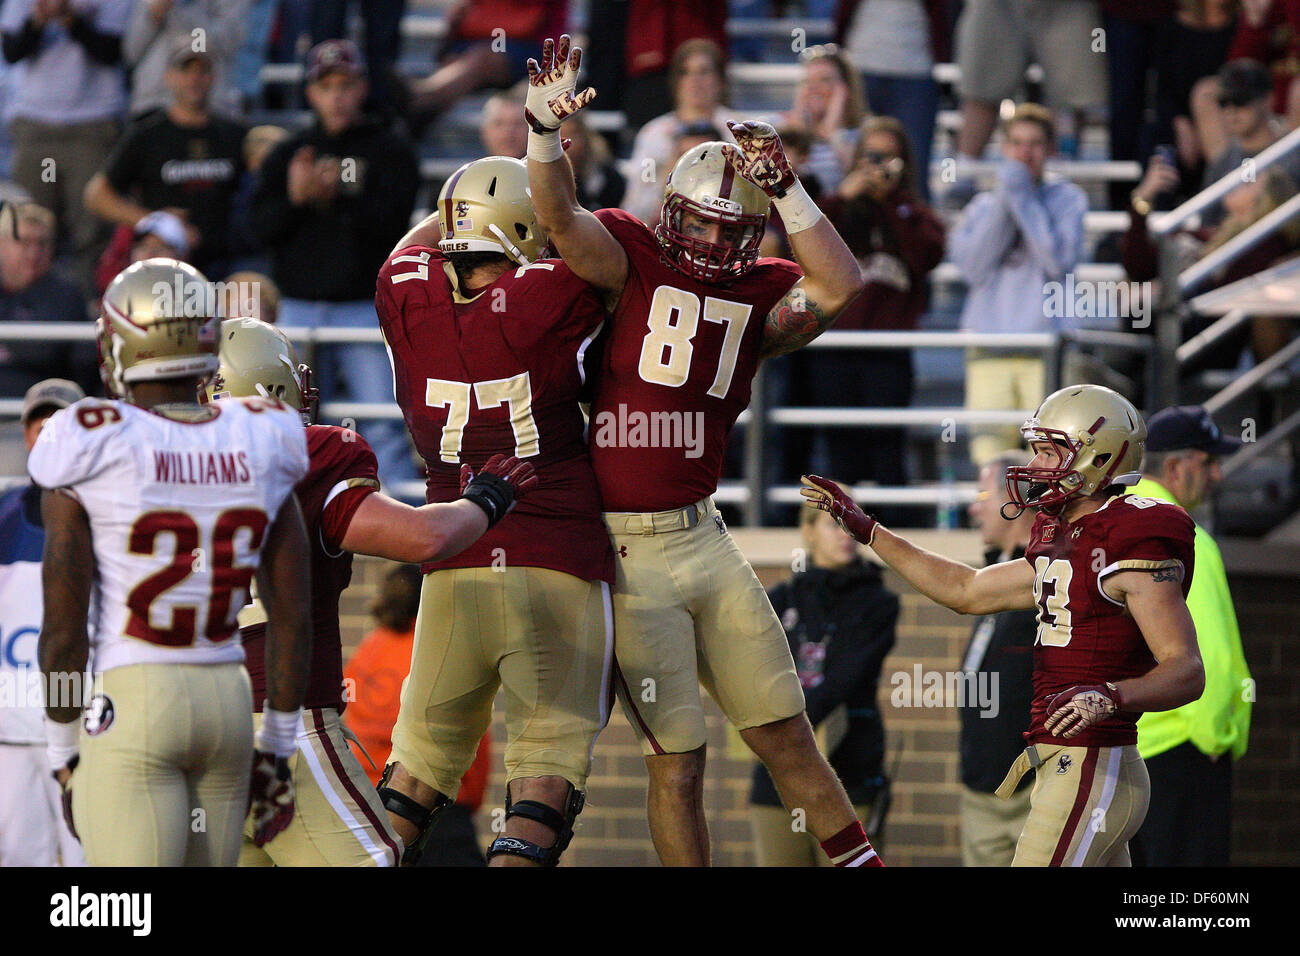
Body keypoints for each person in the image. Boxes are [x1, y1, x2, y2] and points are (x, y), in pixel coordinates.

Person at [526, 36, 880, 868]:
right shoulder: (632, 258)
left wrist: (786, 186)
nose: (714, 246)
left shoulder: (759, 294)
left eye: (732, 231)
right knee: (678, 762)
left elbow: (841, 284)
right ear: (667, 214)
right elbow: (560, 219)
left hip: (705, 535)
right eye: (699, 224)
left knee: (789, 736)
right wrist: (544, 136)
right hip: (626, 548)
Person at [802, 384, 1205, 867]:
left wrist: (1112, 696)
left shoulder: (1131, 536)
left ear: (1099, 459)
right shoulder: (1067, 538)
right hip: (1070, 768)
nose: (1034, 467)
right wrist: (869, 530)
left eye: (1049, 451)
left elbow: (1186, 669)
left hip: (1093, 766)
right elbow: (966, 590)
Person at [207, 318, 536, 867]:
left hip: (191, 726)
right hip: (282, 722)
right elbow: (424, 537)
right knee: (375, 859)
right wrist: (486, 499)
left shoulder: (163, 464)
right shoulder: (311, 454)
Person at [373, 156, 617, 867]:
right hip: (558, 555)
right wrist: (550, 197)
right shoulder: (556, 289)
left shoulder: (408, 292)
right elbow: (588, 249)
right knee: (545, 774)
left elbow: (406, 254)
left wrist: (460, 215)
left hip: (453, 564)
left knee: (412, 777)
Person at [31, 258, 315, 866]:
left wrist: (61, 753)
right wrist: (279, 744)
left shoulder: (89, 437)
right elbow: (294, 615)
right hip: (228, 702)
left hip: (134, 701)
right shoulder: (261, 431)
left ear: (122, 344)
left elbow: (61, 635)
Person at [249, 38, 420, 490]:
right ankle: (285, 507)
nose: (337, 95)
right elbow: (257, 228)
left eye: (346, 84)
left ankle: (399, 528)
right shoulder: (289, 152)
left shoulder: (389, 148)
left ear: (362, 87)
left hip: (362, 305)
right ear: (310, 92)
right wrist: (296, 200)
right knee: (283, 418)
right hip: (298, 305)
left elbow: (395, 227)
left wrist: (335, 199)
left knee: (381, 416)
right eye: (327, 85)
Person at [789, 115, 945, 516]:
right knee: (841, 450)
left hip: (889, 350)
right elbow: (804, 244)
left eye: (889, 158)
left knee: (887, 448)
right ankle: (840, 534)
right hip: (835, 345)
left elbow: (927, 256)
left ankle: (890, 538)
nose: (878, 166)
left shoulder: (914, 212)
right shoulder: (835, 206)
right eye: (871, 157)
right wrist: (844, 195)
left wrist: (892, 202)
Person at [1128, 405, 1251, 866]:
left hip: (1130, 748)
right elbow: (1210, 658)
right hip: (1183, 750)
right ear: (1178, 468)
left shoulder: (1118, 523)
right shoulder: (1185, 535)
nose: (1217, 474)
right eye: (1209, 461)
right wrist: (1215, 739)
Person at [749, 497, 898, 866]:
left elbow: (845, 677)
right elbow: (756, 670)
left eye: (852, 523)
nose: (845, 534)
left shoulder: (878, 601)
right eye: (833, 524)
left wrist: (782, 719)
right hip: (780, 774)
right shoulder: (782, 597)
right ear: (809, 532)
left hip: (850, 770)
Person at [948, 103, 1088, 467]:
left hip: (1045, 347)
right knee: (991, 461)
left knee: (1050, 462)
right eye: (1016, 143)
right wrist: (1007, 198)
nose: (1025, 153)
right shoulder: (981, 206)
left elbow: (1056, 261)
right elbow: (973, 269)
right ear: (1003, 148)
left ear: (1051, 149)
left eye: (1036, 143)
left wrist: (1021, 196)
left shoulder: (1069, 200)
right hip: (988, 346)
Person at [344, 563, 493, 867]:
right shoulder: (436, 652)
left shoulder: (366, 654)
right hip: (435, 805)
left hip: (370, 807)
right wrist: (467, 800)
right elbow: (470, 735)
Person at [0, 378, 87, 867]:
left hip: (83, 723)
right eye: (40, 421)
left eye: (61, 421)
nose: (48, 431)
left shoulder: (105, 508)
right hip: (10, 728)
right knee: (17, 855)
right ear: (26, 432)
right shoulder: (5, 513)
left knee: (88, 856)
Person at [85, 38, 247, 277]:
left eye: (202, 71)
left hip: (225, 263)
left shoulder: (233, 134)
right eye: (186, 71)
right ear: (169, 76)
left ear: (213, 78)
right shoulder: (147, 134)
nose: (194, 79)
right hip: (165, 269)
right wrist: (155, 221)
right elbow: (96, 195)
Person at [0, 0, 130, 291]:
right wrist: (39, 19)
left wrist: (70, 18)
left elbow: (111, 53)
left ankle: (83, 306)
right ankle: (25, 310)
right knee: (28, 227)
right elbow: (12, 51)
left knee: (91, 230)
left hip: (92, 122)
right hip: (35, 122)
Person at [958, 452, 1038, 867]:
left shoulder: (1044, 578)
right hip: (981, 791)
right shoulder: (992, 577)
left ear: (1014, 501)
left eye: (983, 493)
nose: (974, 506)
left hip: (1029, 793)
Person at [952, 0, 1107, 164]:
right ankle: (963, 177)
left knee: (1071, 99)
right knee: (980, 93)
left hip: (1067, 6)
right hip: (996, 5)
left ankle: (1061, 174)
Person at [835, 0, 946, 202]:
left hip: (915, 68)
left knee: (914, 166)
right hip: (862, 65)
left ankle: (914, 225)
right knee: (855, 160)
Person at [621, 38, 737, 226]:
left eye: (704, 71)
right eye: (685, 72)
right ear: (676, 80)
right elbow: (634, 207)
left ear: (721, 80)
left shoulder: (739, 131)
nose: (695, 81)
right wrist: (665, 182)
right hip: (663, 224)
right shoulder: (653, 133)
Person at [0, 201, 94, 397]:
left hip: (43, 413)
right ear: (2, 244)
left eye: (42, 243)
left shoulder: (66, 293)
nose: (34, 253)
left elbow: (47, 352)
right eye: (24, 242)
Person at [122, 0, 248, 119]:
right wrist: (154, 15)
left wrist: (186, 11)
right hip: (154, 102)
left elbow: (229, 42)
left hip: (210, 105)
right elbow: (131, 53)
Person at [779, 44, 868, 196]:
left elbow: (856, 177)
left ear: (845, 88)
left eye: (824, 80)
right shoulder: (780, 127)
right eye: (808, 81)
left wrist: (832, 129)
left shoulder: (862, 134)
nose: (814, 87)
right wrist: (797, 130)